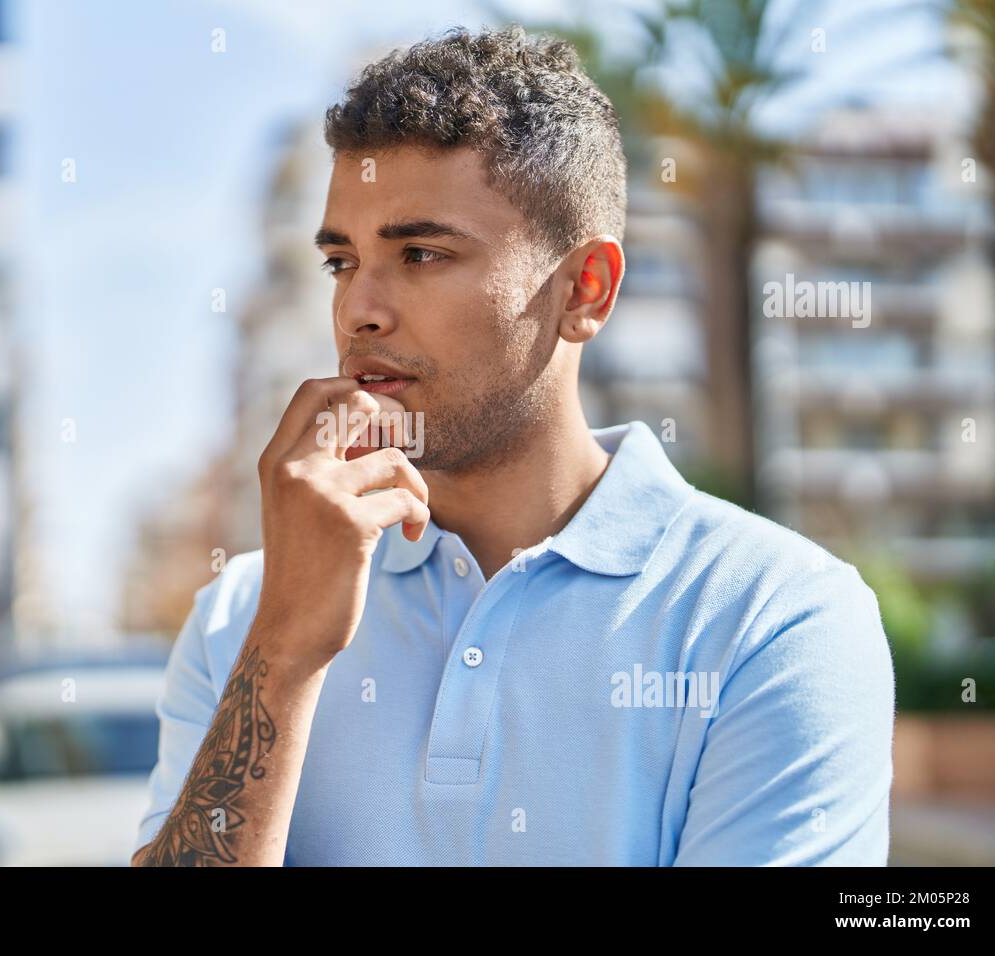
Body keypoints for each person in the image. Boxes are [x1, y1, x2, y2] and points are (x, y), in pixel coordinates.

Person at [130, 24, 894, 866]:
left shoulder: (773, 620)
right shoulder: (241, 616)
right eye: (341, 262)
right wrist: (284, 648)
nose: (359, 312)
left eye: (420, 253)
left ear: (584, 290)